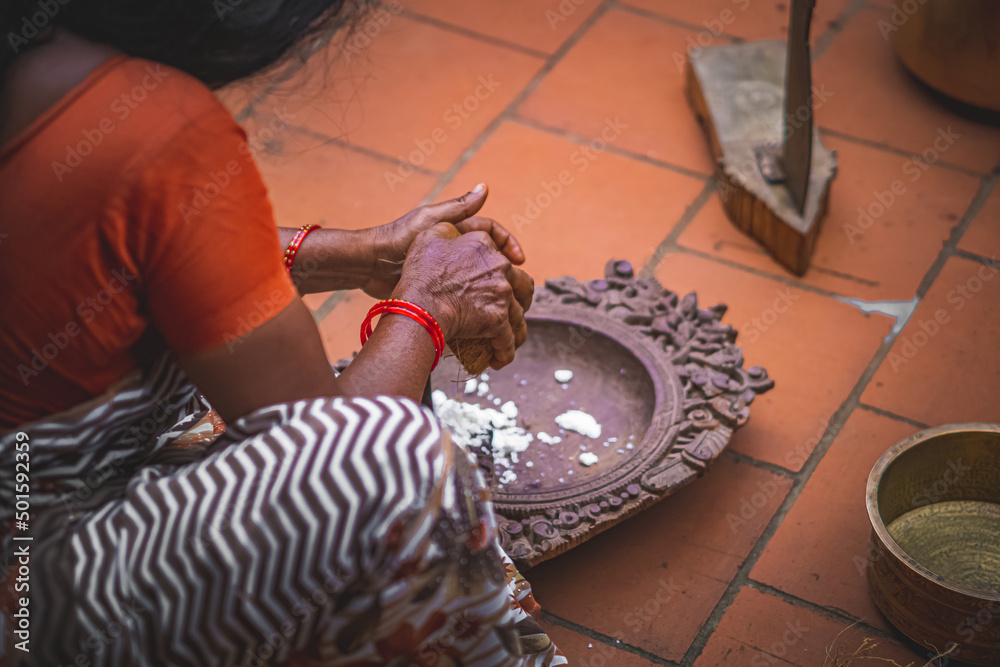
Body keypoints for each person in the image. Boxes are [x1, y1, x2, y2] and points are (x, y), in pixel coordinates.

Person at [0, 1, 564, 665]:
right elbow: (334, 463)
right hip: (29, 603)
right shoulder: (147, 122)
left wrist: (363, 253)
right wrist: (429, 306)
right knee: (399, 459)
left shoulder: (37, 72)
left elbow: (136, 241)